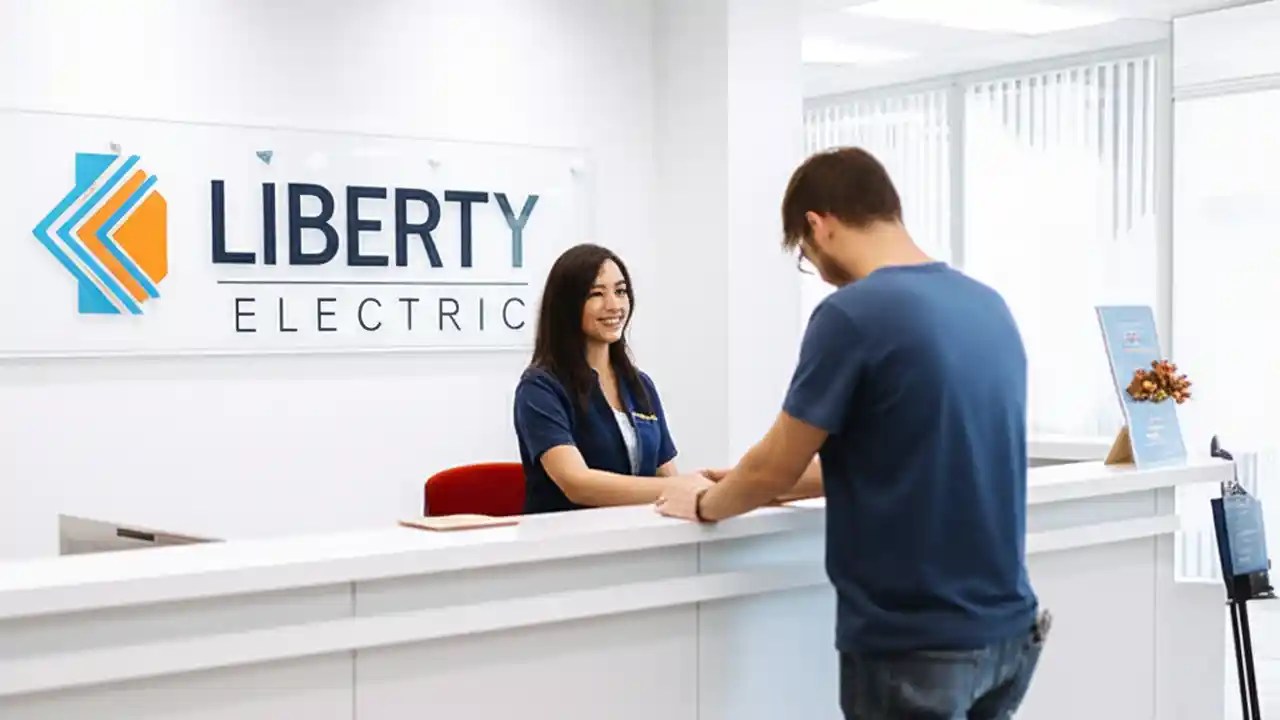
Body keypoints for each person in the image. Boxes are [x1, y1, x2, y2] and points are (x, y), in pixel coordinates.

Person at [656, 148, 1047, 719]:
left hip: (917, 642)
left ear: (818, 224)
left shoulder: (853, 313)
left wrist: (706, 501)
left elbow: (775, 465)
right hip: (1010, 631)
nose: (813, 266)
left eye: (803, 252)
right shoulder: (988, 306)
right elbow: (906, 457)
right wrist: (752, 482)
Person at [514, 243, 711, 514]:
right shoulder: (539, 388)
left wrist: (706, 489)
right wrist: (681, 487)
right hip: (564, 546)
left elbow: (666, 475)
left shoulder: (640, 385)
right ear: (567, 305)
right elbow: (577, 483)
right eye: (596, 294)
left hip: (635, 538)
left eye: (620, 291)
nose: (614, 305)